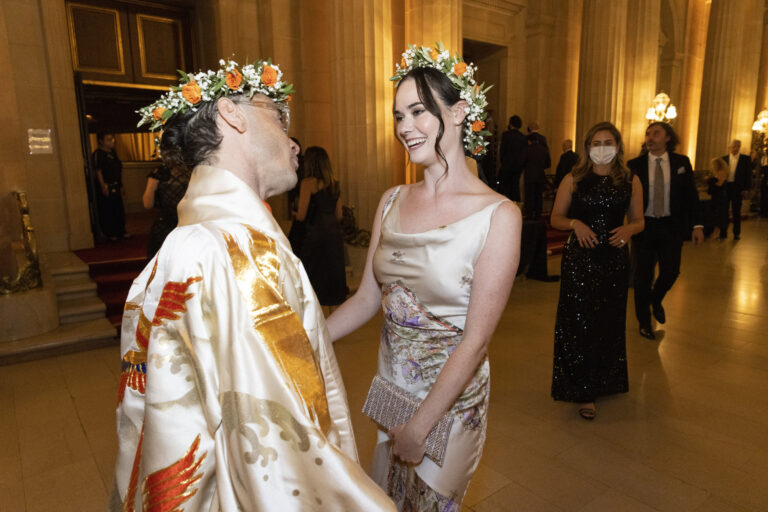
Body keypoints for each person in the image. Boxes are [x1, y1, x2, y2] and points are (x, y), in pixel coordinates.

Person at [112, 58, 395, 511]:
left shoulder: (206, 241)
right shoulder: (229, 252)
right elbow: (277, 446)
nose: (293, 141)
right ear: (232, 113)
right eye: (279, 116)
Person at [327, 44, 522, 510]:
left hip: (451, 404)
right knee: (388, 498)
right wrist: (303, 336)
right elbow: (366, 299)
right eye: (398, 116)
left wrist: (421, 425)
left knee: (431, 502)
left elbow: (476, 340)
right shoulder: (392, 199)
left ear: (458, 113)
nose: (404, 128)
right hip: (393, 384)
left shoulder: (498, 215)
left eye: (418, 111)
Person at [550, 122, 644, 420]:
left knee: (609, 321)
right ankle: (583, 390)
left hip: (614, 259)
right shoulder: (574, 178)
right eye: (596, 142)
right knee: (579, 322)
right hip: (580, 259)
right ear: (588, 146)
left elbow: (640, 220)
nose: (602, 148)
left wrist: (630, 228)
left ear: (617, 146)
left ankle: (606, 379)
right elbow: (556, 218)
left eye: (608, 142)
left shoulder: (631, 180)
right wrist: (575, 224)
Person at [628, 122, 703, 340]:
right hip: (644, 226)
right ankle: (644, 322)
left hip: (671, 226)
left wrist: (697, 225)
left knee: (671, 270)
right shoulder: (635, 165)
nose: (650, 137)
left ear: (667, 138)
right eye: (648, 134)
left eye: (656, 133)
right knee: (642, 276)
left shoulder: (682, 162)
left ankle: (655, 298)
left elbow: (691, 197)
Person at [296, 146, 346, 311]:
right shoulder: (334, 184)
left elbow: (301, 216)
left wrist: (293, 211)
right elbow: (339, 215)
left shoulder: (308, 183)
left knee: (313, 280)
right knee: (334, 281)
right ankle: (334, 330)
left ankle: (316, 327)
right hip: (334, 236)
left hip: (316, 236)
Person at [141, 161, 189, 258]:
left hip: (164, 227)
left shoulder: (160, 172)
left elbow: (147, 204)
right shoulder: (195, 171)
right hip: (188, 226)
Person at [92, 133, 127, 240]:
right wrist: (103, 186)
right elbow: (98, 171)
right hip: (106, 185)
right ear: (101, 141)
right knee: (107, 209)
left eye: (112, 139)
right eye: (108, 140)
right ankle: (110, 233)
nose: (111, 142)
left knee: (118, 208)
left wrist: (121, 185)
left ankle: (120, 231)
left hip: (116, 184)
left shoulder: (113, 153)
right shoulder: (98, 154)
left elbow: (118, 170)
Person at [720, 140, 753, 240]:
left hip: (737, 188)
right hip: (726, 187)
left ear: (739, 147)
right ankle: (723, 233)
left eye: (737, 146)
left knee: (736, 211)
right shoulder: (724, 159)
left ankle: (736, 233)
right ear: (729, 147)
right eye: (733, 146)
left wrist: (746, 188)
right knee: (724, 211)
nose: (734, 148)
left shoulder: (745, 159)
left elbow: (748, 175)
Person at [521, 132, 551, 219]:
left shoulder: (527, 149)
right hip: (540, 176)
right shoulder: (544, 150)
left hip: (529, 177)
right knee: (538, 196)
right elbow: (548, 164)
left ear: (529, 141)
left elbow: (521, 162)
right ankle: (538, 214)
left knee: (529, 196)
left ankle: (529, 215)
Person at [498, 115, 526, 201]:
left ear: (510, 124)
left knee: (504, 187)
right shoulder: (523, 137)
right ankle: (516, 205)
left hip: (506, 165)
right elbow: (523, 154)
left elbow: (502, 151)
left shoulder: (506, 135)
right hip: (518, 167)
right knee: (515, 187)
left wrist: (503, 162)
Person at [707, 157, 729, 240]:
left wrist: (711, 184)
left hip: (720, 198)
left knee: (718, 215)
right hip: (715, 196)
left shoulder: (721, 172)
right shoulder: (716, 173)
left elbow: (720, 184)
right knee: (715, 215)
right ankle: (715, 232)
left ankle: (717, 232)